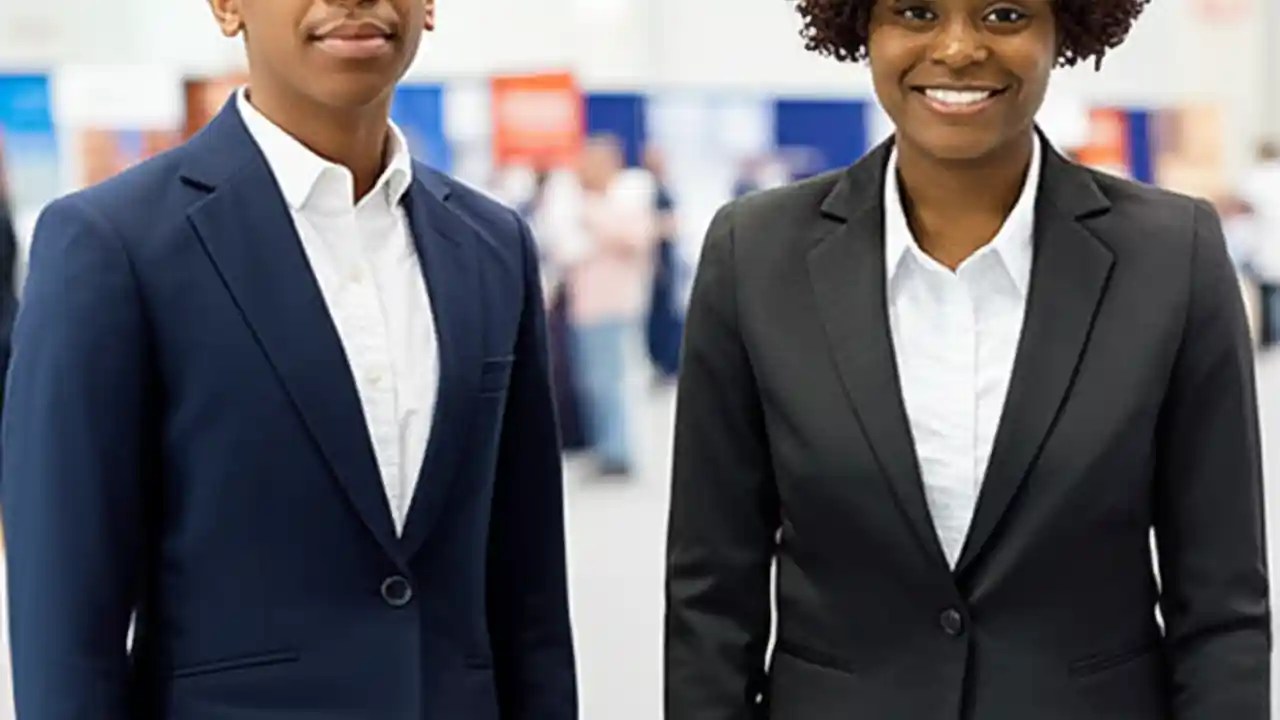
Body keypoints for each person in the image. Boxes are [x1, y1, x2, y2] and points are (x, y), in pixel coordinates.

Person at [666, 0, 1269, 718]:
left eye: (1005, 13)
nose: (956, 48)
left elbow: (1222, 611)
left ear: (1064, 29)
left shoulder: (1173, 257)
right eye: (915, 11)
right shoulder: (756, 254)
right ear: (861, 25)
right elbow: (711, 603)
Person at [1, 1, 577, 718]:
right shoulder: (115, 246)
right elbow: (64, 623)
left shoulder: (492, 246)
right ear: (226, 6)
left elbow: (530, 602)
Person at [539, 136, 654, 478]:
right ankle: (605, 447)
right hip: (584, 304)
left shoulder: (623, 199)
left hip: (612, 306)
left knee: (609, 381)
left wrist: (593, 215)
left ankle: (617, 452)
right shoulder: (577, 202)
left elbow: (637, 240)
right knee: (593, 381)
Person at [642, 147, 683, 381]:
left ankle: (669, 363)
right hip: (658, 263)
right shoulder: (649, 192)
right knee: (659, 315)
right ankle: (662, 362)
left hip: (667, 261)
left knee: (667, 313)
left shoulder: (663, 190)